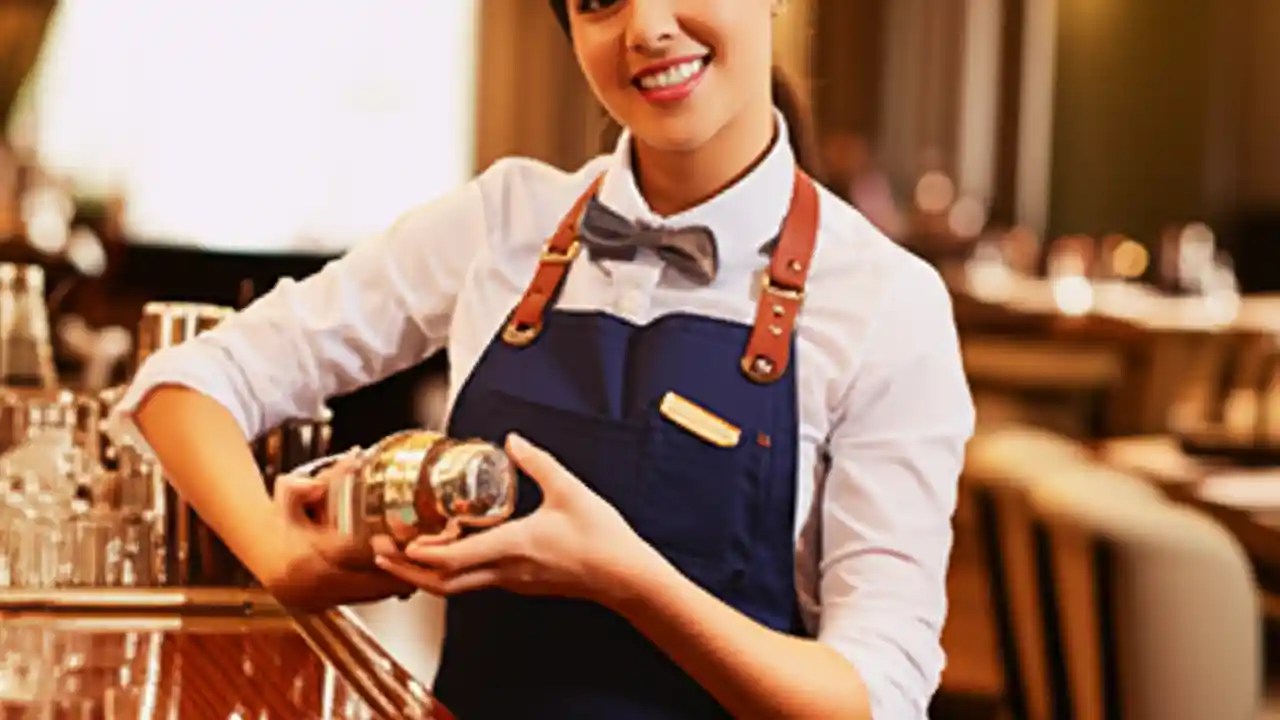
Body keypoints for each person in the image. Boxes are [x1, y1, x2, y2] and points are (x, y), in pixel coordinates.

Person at [110, 1, 975, 718]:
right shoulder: (505, 221)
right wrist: (281, 557)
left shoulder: (886, 302)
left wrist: (629, 580)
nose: (645, 28)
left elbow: (874, 697)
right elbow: (185, 384)